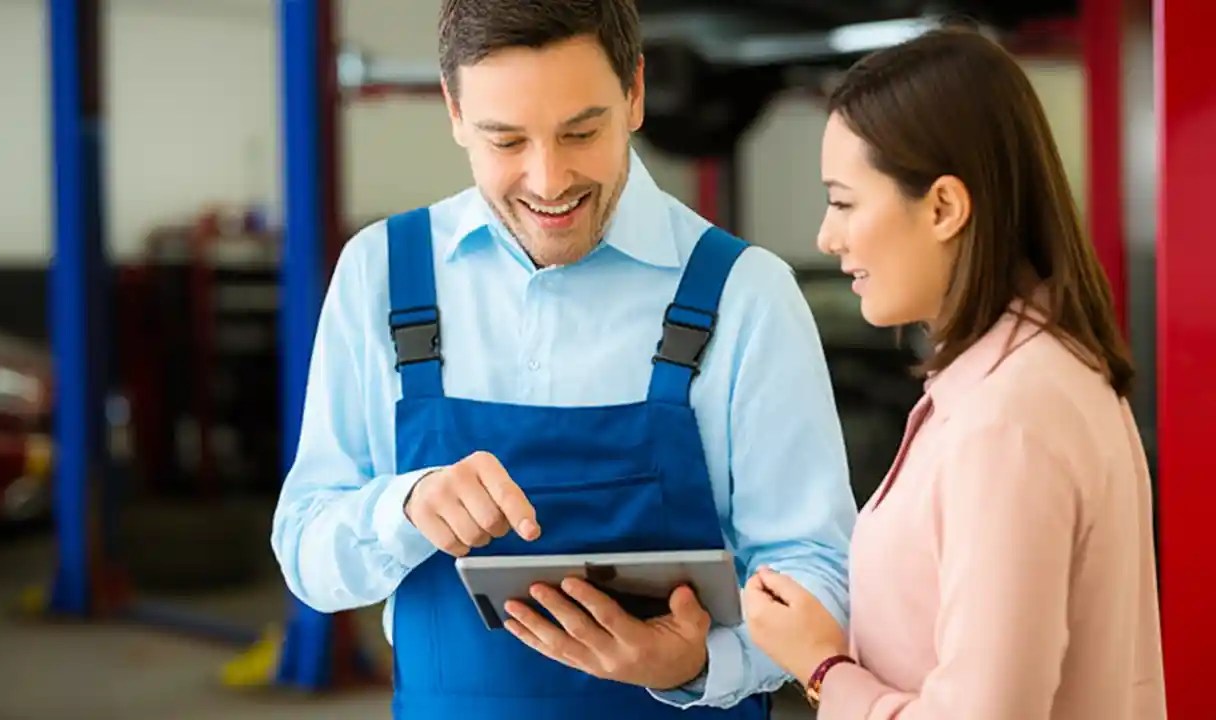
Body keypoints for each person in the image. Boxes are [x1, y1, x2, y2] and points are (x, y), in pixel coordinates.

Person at [270, 1, 858, 717]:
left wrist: (702, 661)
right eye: (506, 140)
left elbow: (820, 573)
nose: (549, 181)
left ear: (635, 93)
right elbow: (306, 553)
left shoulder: (746, 295)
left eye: (582, 131)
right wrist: (405, 508)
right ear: (455, 111)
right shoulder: (380, 276)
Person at [740, 26, 1167, 719]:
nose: (827, 236)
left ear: (943, 207)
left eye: (845, 201)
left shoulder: (1008, 417)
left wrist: (824, 667)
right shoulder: (1035, 380)